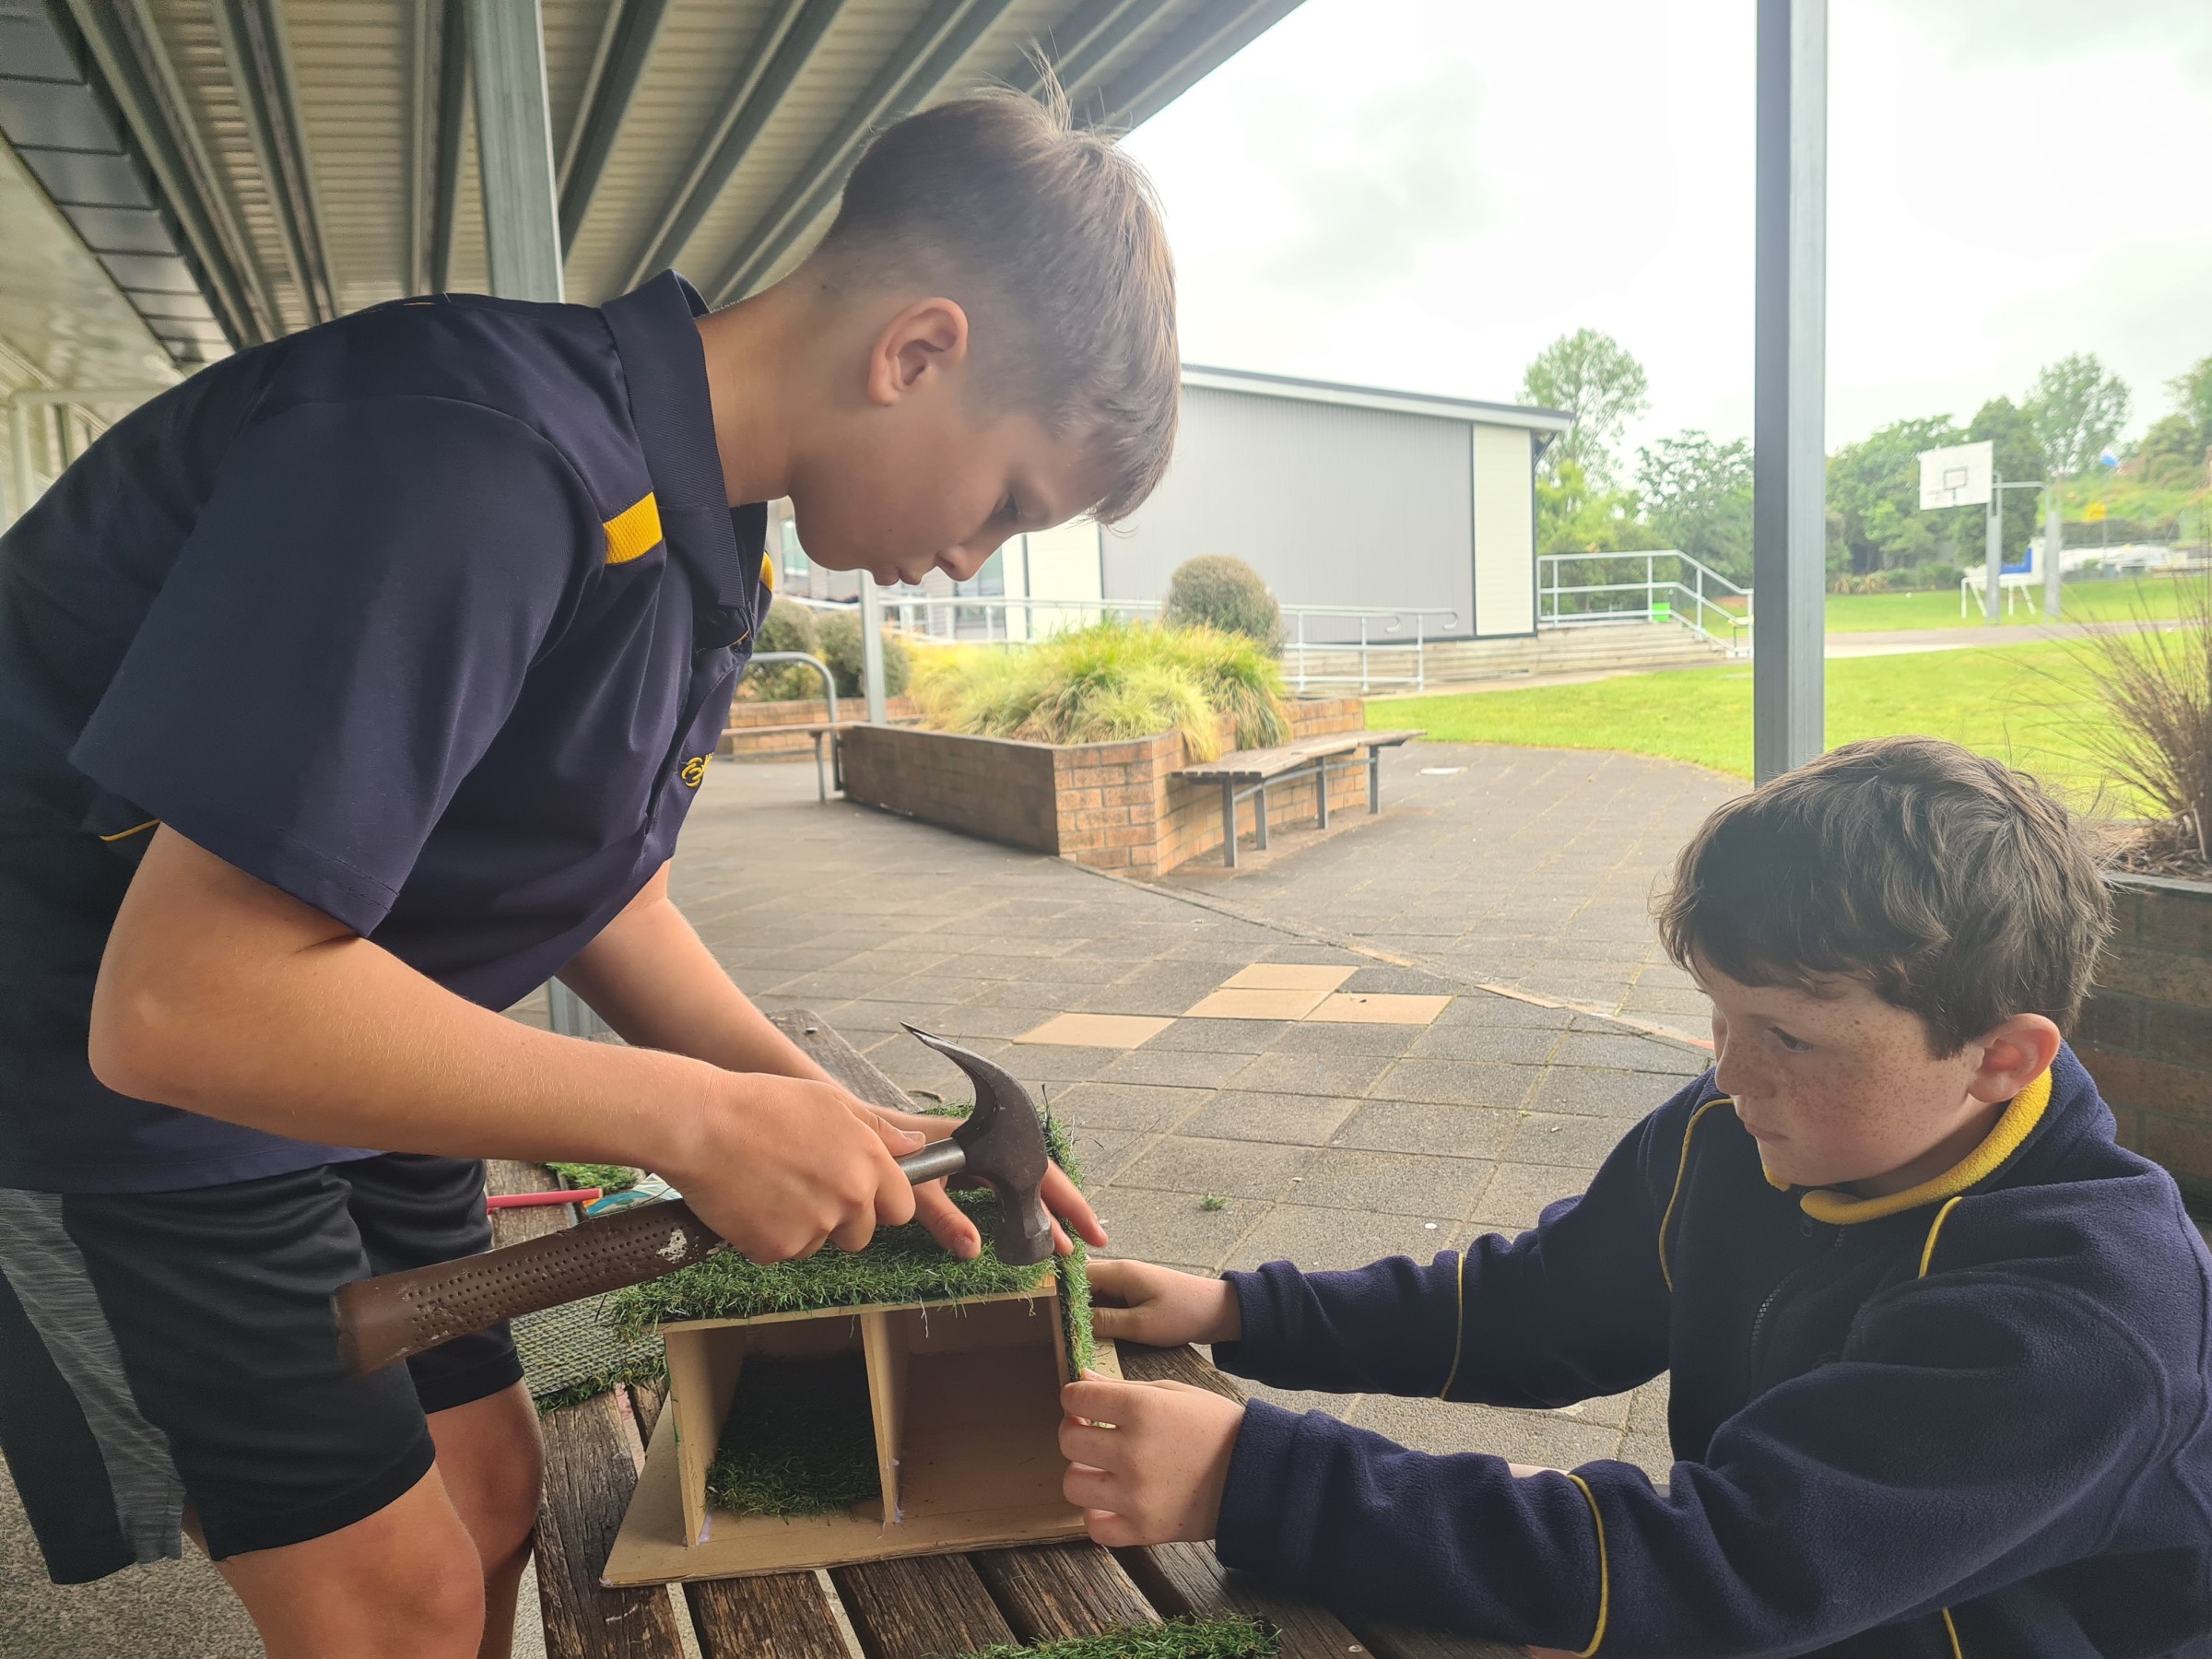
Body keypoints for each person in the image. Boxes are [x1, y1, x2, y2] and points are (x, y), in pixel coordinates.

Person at [0, 88, 1175, 1659]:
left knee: (494, 1492)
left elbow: (601, 883)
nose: (976, 560)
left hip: (359, 1040)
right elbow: (179, 1002)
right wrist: (692, 1122)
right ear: (917, 353)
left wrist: (811, 1107)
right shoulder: (469, 463)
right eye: (1013, 503)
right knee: (395, 1601)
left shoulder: (706, 526)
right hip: (116, 1080)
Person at [1066, 736, 2212, 1658]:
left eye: (1791, 1037)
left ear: (2004, 1057)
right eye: (1720, 1014)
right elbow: (1545, 1305)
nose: (1729, 1074)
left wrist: (1258, 1478)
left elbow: (1726, 1569)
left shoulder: (2084, 1312)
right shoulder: (1743, 1131)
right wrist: (1235, 1310)